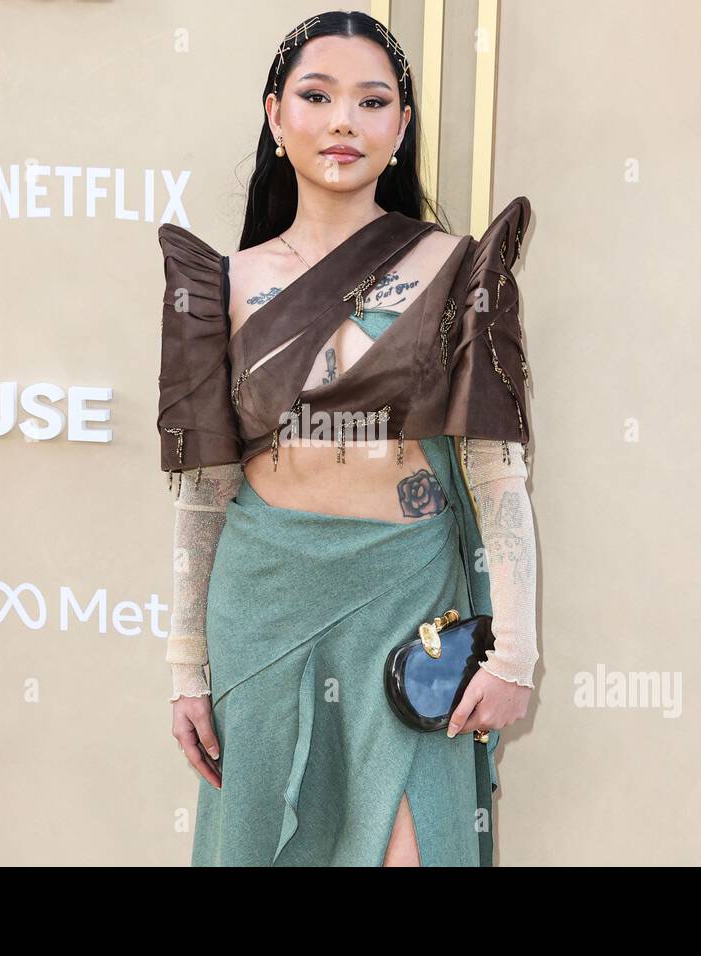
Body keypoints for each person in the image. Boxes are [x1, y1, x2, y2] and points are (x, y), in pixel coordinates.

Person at [156, 10, 539, 867]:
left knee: (412, 848)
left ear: (401, 127)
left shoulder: (459, 271)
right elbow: (204, 490)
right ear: (274, 115)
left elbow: (495, 476)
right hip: (263, 598)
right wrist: (187, 667)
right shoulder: (219, 283)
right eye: (317, 97)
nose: (343, 122)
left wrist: (513, 654)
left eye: (372, 102)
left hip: (409, 601)